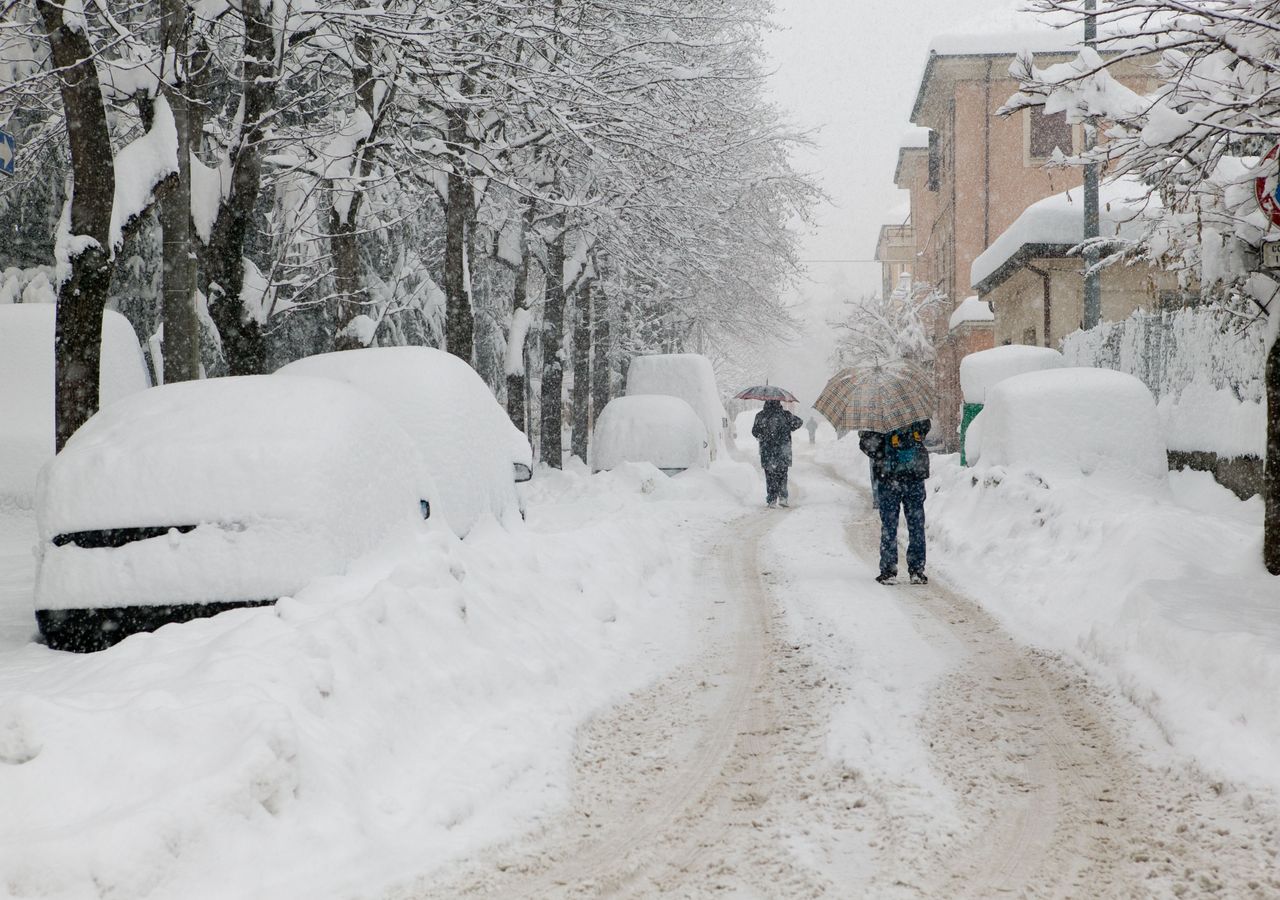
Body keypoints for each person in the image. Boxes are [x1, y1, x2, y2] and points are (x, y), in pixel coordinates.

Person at [859, 419, 931, 585]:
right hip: (914, 478)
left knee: (889, 526)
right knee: (916, 525)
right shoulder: (917, 416)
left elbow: (867, 446)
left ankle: (888, 570)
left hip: (889, 479)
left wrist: (880, 451)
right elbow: (926, 429)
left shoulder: (879, 420)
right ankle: (917, 570)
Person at [752, 400, 803, 507]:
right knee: (782, 475)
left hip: (767, 450)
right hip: (783, 450)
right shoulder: (785, 415)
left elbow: (754, 432)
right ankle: (783, 498)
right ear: (779, 403)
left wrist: (763, 434)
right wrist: (789, 427)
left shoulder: (760, 416)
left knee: (770, 475)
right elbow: (799, 422)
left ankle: (772, 500)